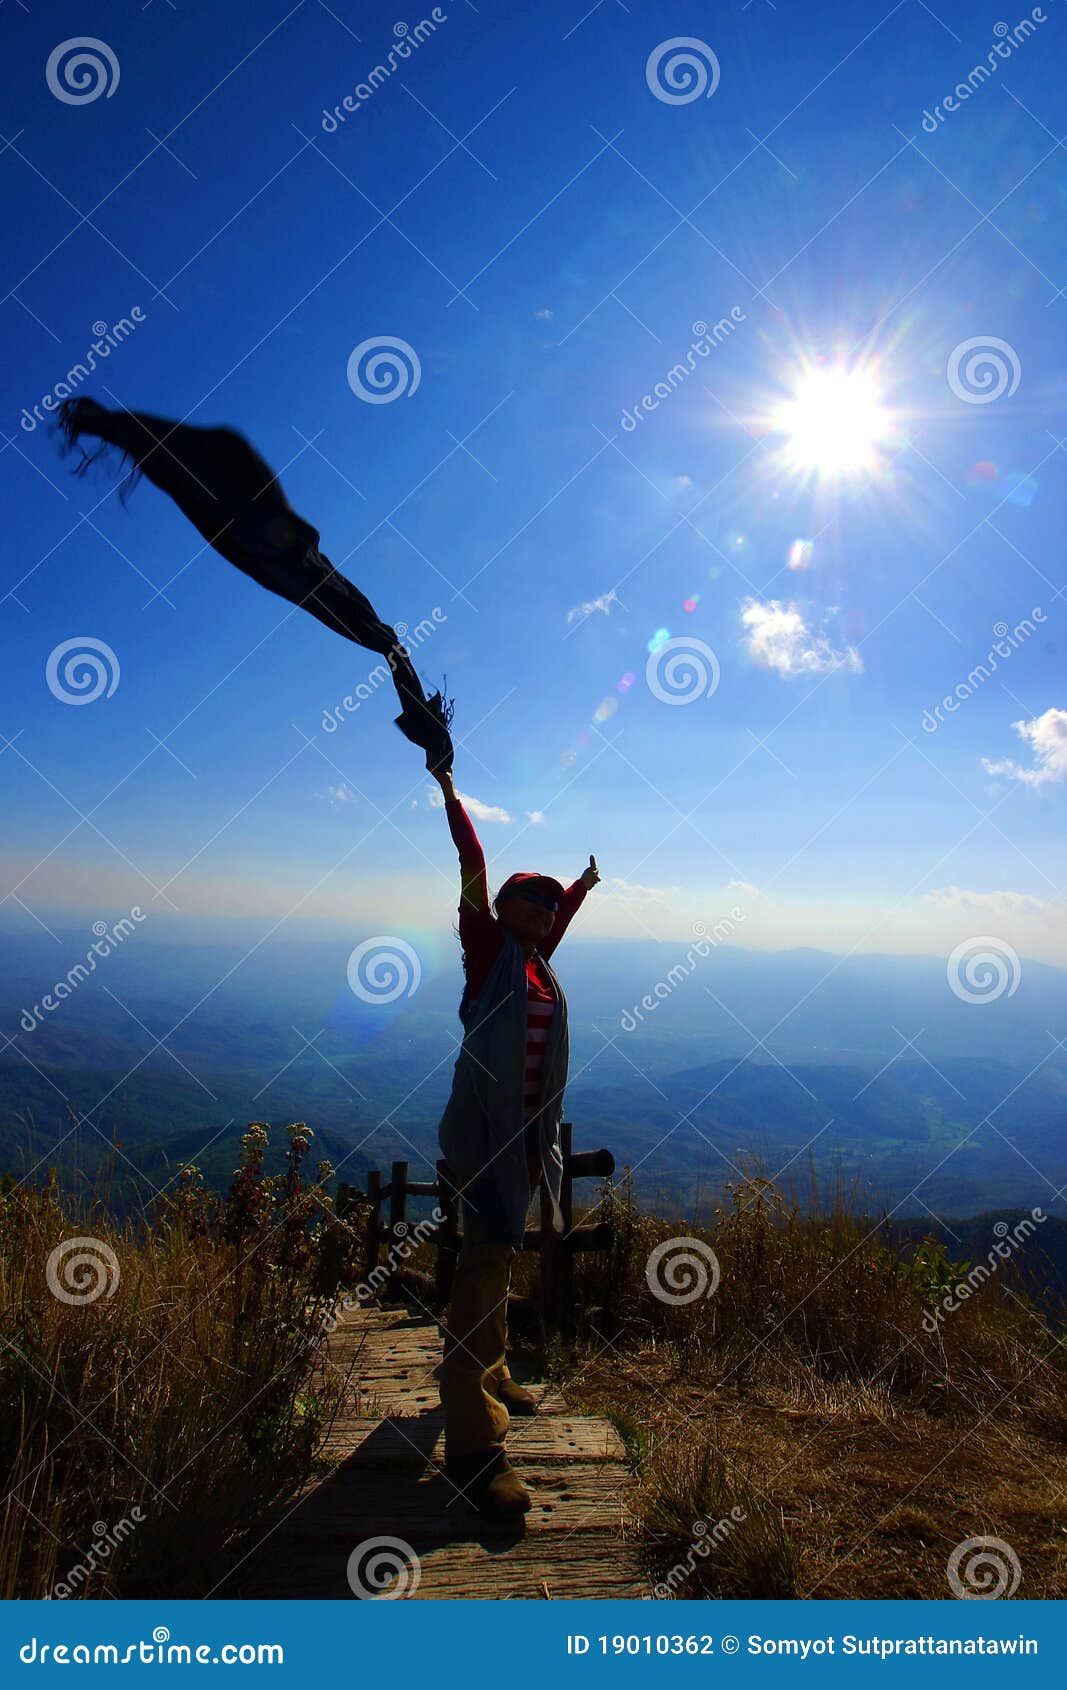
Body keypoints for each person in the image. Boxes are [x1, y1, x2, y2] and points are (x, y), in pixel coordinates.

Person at [429, 761, 599, 1517]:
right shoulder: (488, 950)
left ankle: (493, 1374)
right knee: (481, 1269)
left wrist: (580, 894)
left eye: (546, 903)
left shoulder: (534, 969)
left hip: (524, 1146)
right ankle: (473, 1446)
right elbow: (472, 864)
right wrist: (448, 791)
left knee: (494, 1263)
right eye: (527, 899)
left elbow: (554, 928)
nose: (539, 909)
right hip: (484, 1145)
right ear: (501, 908)